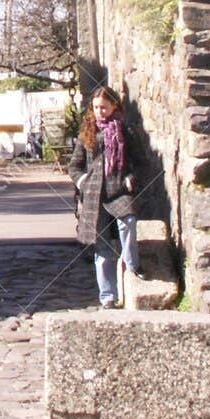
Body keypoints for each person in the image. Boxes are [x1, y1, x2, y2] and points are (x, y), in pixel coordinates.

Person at [67, 85, 142, 308]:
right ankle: (108, 296)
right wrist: (83, 182)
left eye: (104, 107)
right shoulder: (87, 133)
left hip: (119, 190)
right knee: (103, 248)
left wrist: (130, 177)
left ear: (114, 106)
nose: (100, 112)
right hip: (94, 195)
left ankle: (132, 266)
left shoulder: (125, 131)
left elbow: (139, 161)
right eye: (96, 107)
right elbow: (74, 166)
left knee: (128, 221)